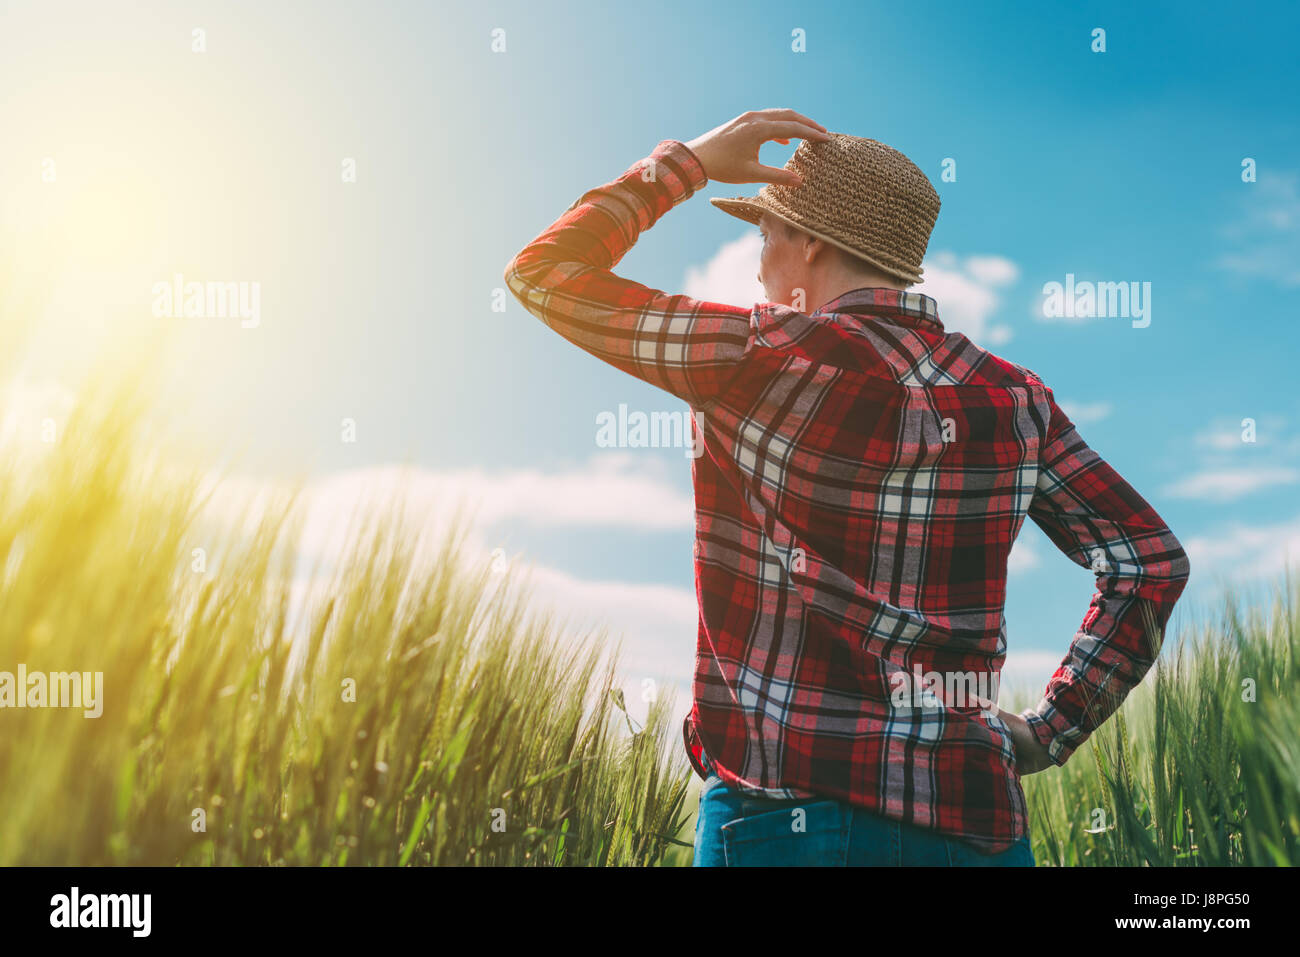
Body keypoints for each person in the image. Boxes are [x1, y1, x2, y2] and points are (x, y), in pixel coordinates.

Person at [503, 109, 1190, 866]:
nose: (760, 261)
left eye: (767, 234)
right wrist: (1052, 727)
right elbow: (1149, 561)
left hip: (783, 827)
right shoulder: (1017, 400)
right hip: (972, 831)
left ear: (813, 242)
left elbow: (542, 274)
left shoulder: (753, 355)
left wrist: (687, 163)